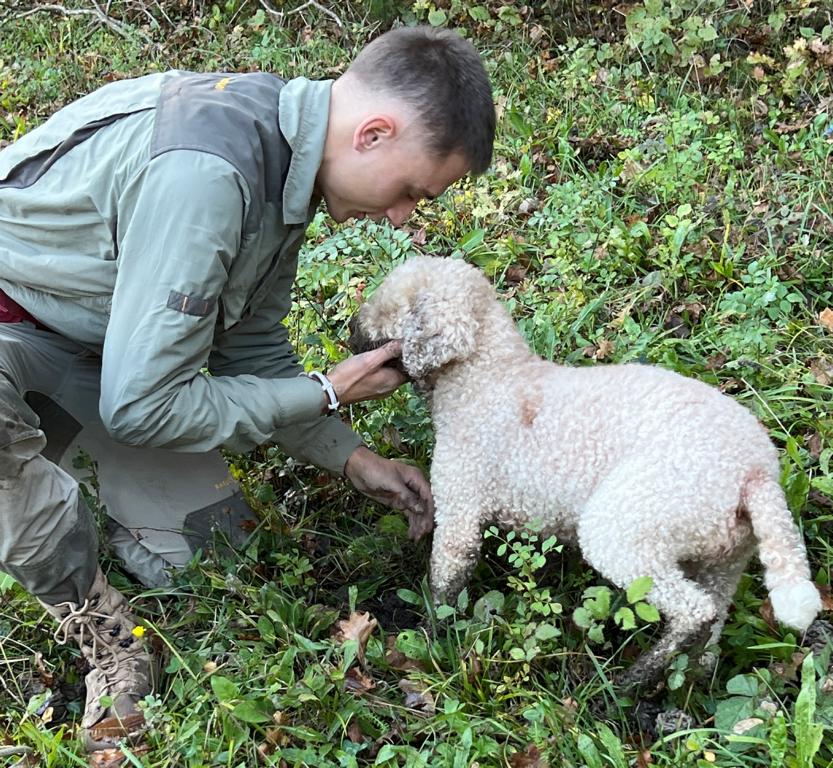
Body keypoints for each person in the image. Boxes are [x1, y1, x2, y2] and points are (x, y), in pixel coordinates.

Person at [0, 25, 495, 751]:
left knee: (205, 554)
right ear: (374, 133)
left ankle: (56, 454)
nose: (402, 218)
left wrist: (355, 460)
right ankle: (97, 624)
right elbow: (141, 406)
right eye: (410, 192)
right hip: (22, 325)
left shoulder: (282, 157)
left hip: (92, 341)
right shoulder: (209, 175)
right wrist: (325, 391)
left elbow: (252, 347)